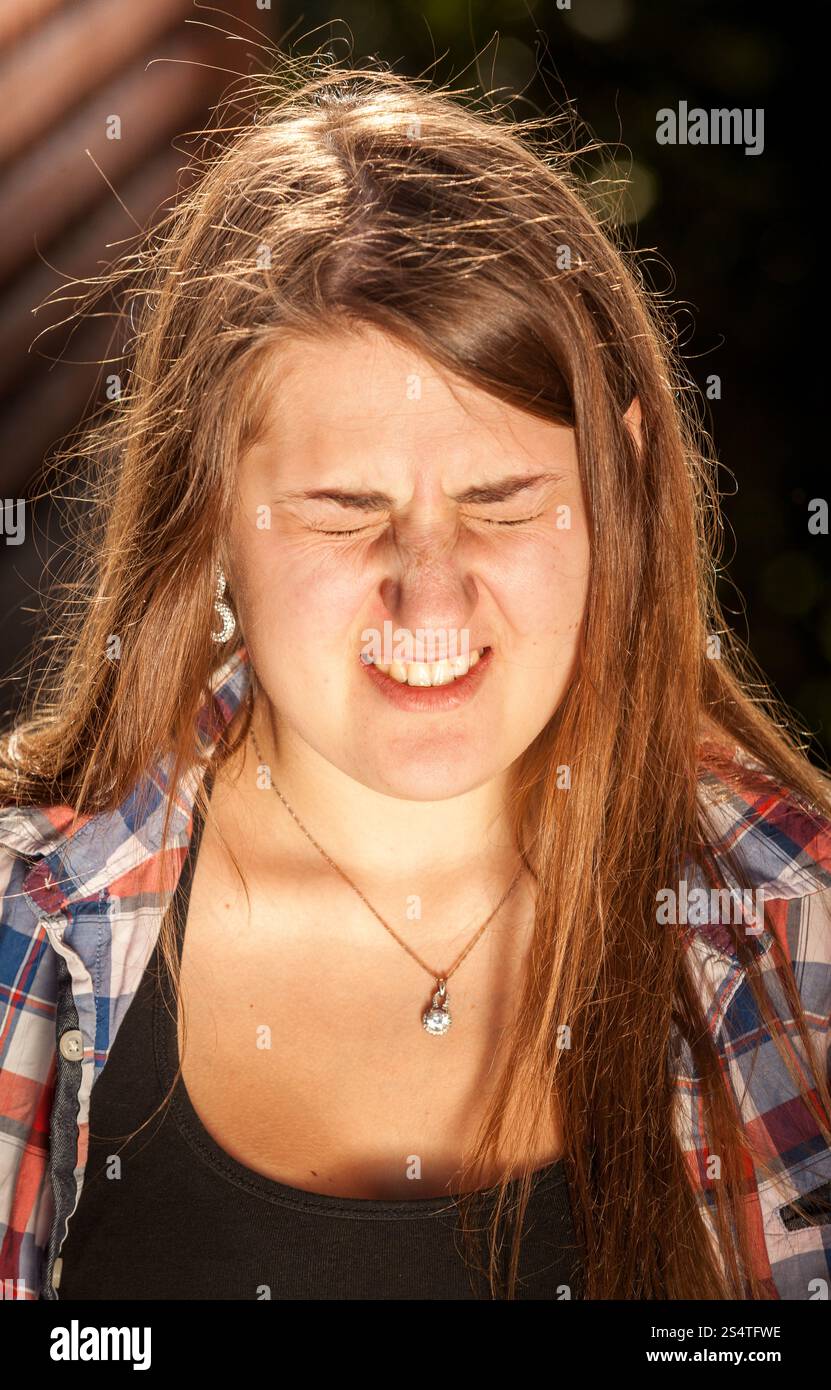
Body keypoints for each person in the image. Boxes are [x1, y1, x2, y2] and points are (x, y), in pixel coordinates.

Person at [0, 61, 829, 1303]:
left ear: (619, 485)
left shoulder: (799, 930)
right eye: (345, 512)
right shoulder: (26, 918)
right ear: (214, 508)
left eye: (504, 501)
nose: (430, 596)